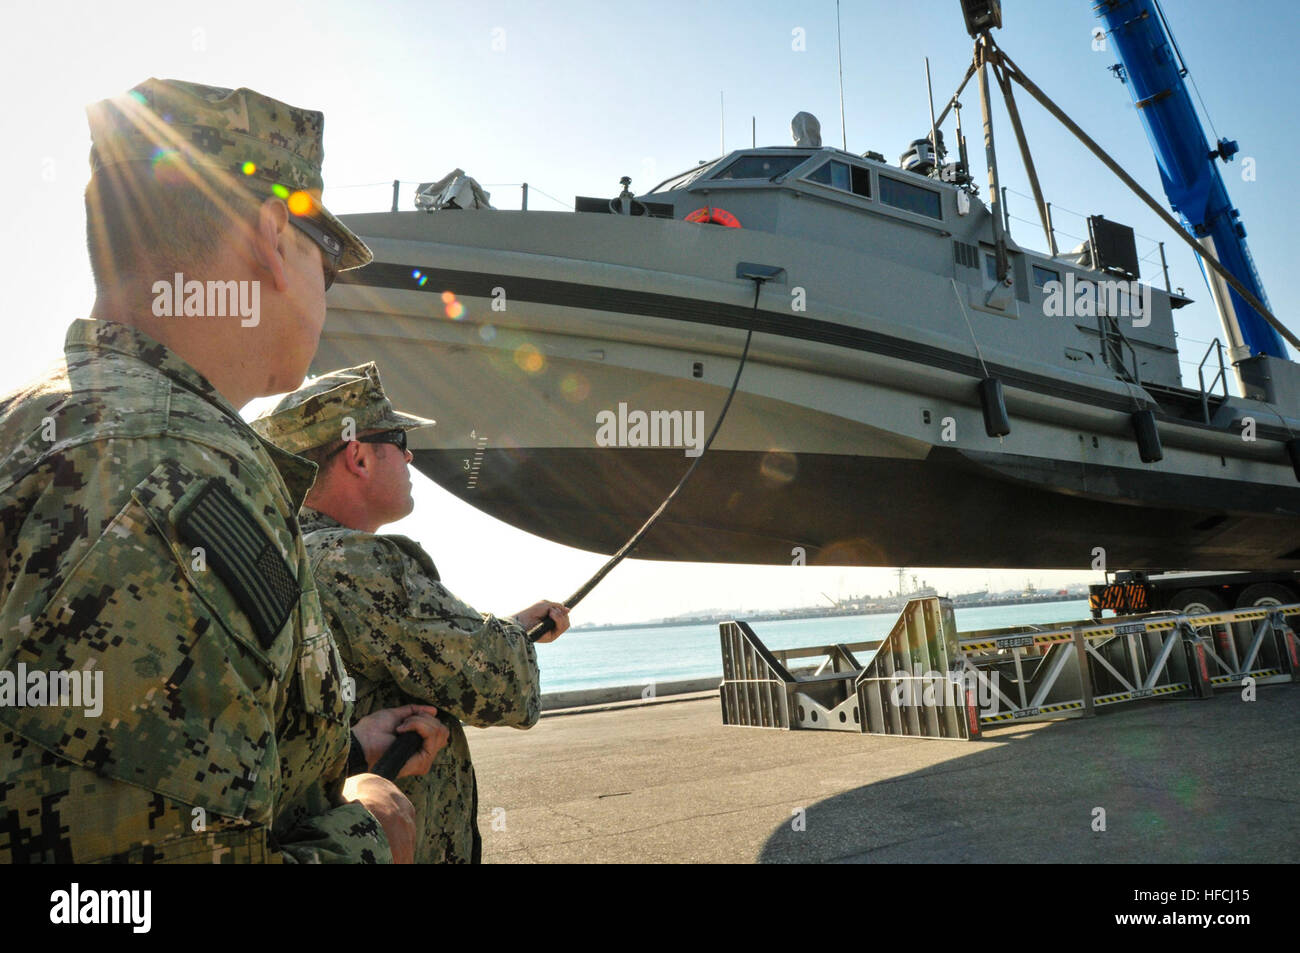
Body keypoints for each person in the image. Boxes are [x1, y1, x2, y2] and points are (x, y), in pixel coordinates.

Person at [0, 79, 444, 864]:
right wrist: (373, 835)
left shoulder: (34, 423)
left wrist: (337, 757)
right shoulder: (175, 483)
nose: (328, 292)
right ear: (273, 235)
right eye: (328, 263)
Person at [252, 363, 570, 863]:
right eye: (399, 440)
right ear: (357, 456)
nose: (410, 455)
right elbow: (505, 688)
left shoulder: (282, 556)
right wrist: (511, 642)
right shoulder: (355, 563)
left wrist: (512, 627)